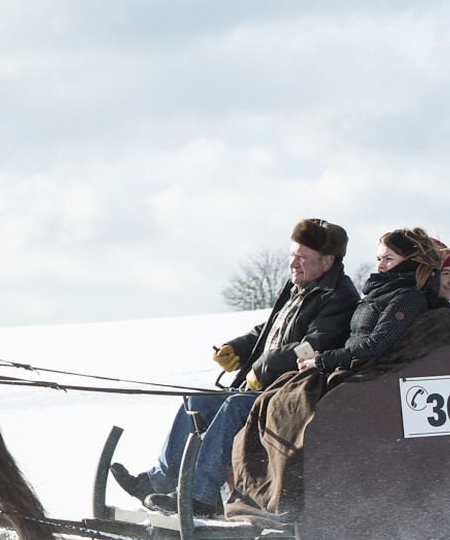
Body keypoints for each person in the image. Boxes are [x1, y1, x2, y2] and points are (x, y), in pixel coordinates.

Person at [110, 217, 359, 518]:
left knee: (234, 407)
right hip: (269, 386)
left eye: (303, 258)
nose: (293, 263)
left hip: (291, 395)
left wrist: (262, 369)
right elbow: (269, 331)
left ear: (328, 261)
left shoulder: (339, 297)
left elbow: (312, 346)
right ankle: (158, 480)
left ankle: (199, 497)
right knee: (197, 401)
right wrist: (239, 349)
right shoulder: (301, 287)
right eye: (292, 255)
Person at [296, 227, 447, 375]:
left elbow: (376, 345)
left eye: (389, 259)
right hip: (355, 370)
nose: (380, 265)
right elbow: (355, 339)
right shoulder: (377, 294)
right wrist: (319, 358)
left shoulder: (408, 297)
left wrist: (322, 361)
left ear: (410, 261)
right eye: (378, 259)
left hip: (373, 375)